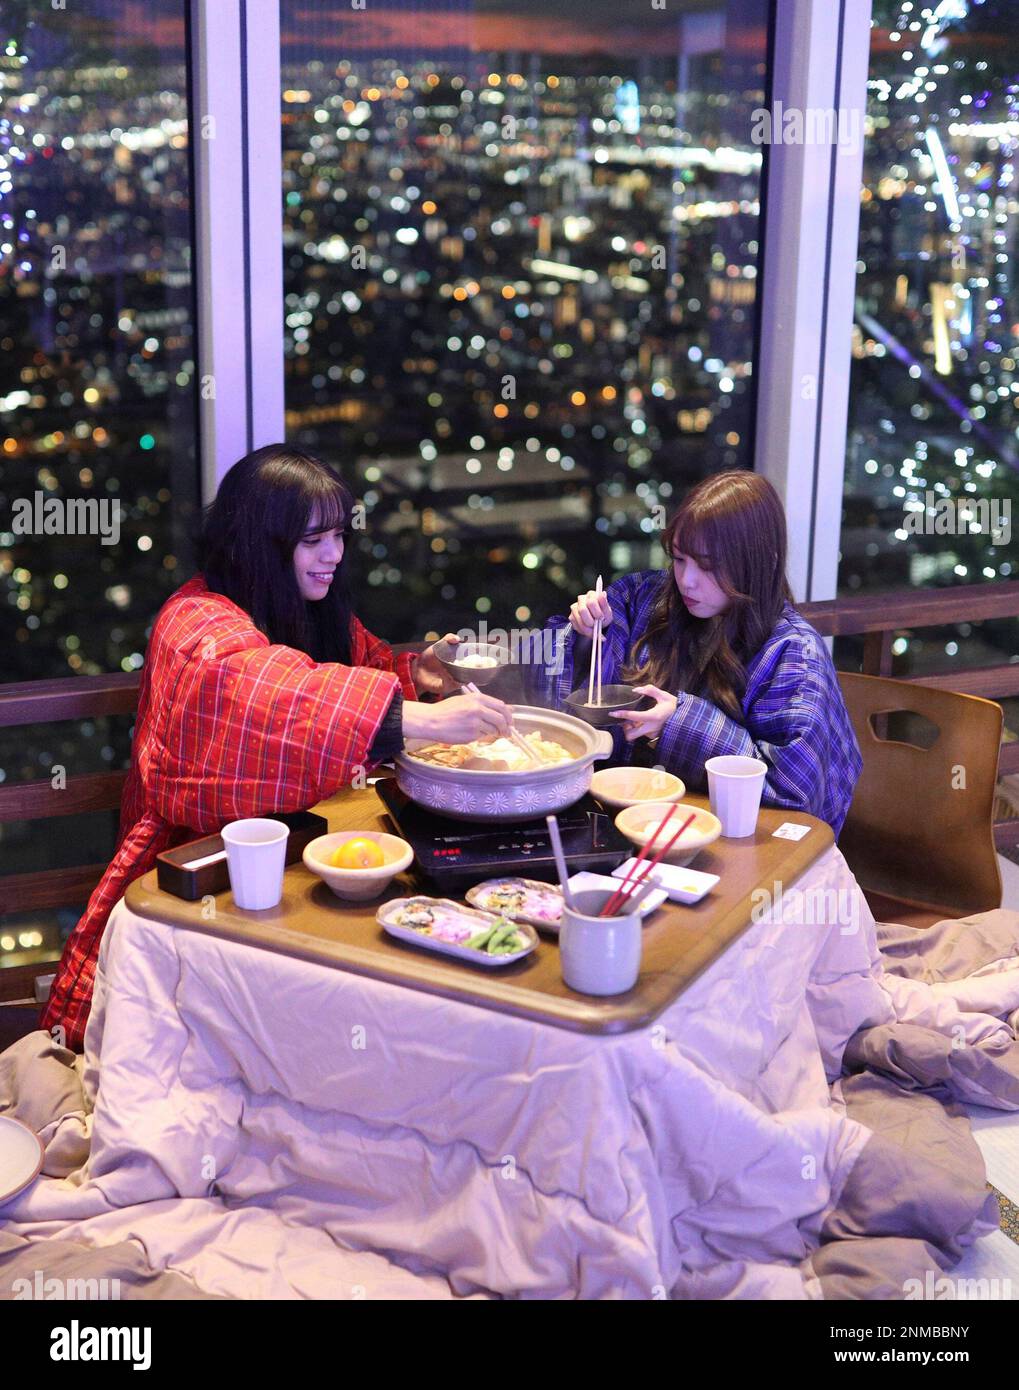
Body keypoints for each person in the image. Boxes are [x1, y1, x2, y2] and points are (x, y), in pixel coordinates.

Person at [42, 445, 510, 1049]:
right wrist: (429, 722)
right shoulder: (195, 622)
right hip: (200, 871)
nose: (334, 555)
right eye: (314, 540)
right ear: (262, 542)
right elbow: (281, 694)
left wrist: (413, 675)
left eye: (339, 535)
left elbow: (353, 669)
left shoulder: (305, 606)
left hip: (300, 850)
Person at [537, 471, 862, 836]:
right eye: (679, 559)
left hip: (741, 848)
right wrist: (588, 637)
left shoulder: (794, 653)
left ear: (759, 562)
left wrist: (678, 722)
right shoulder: (640, 599)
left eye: (708, 566)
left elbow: (794, 795)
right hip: (632, 828)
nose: (687, 580)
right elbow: (556, 705)